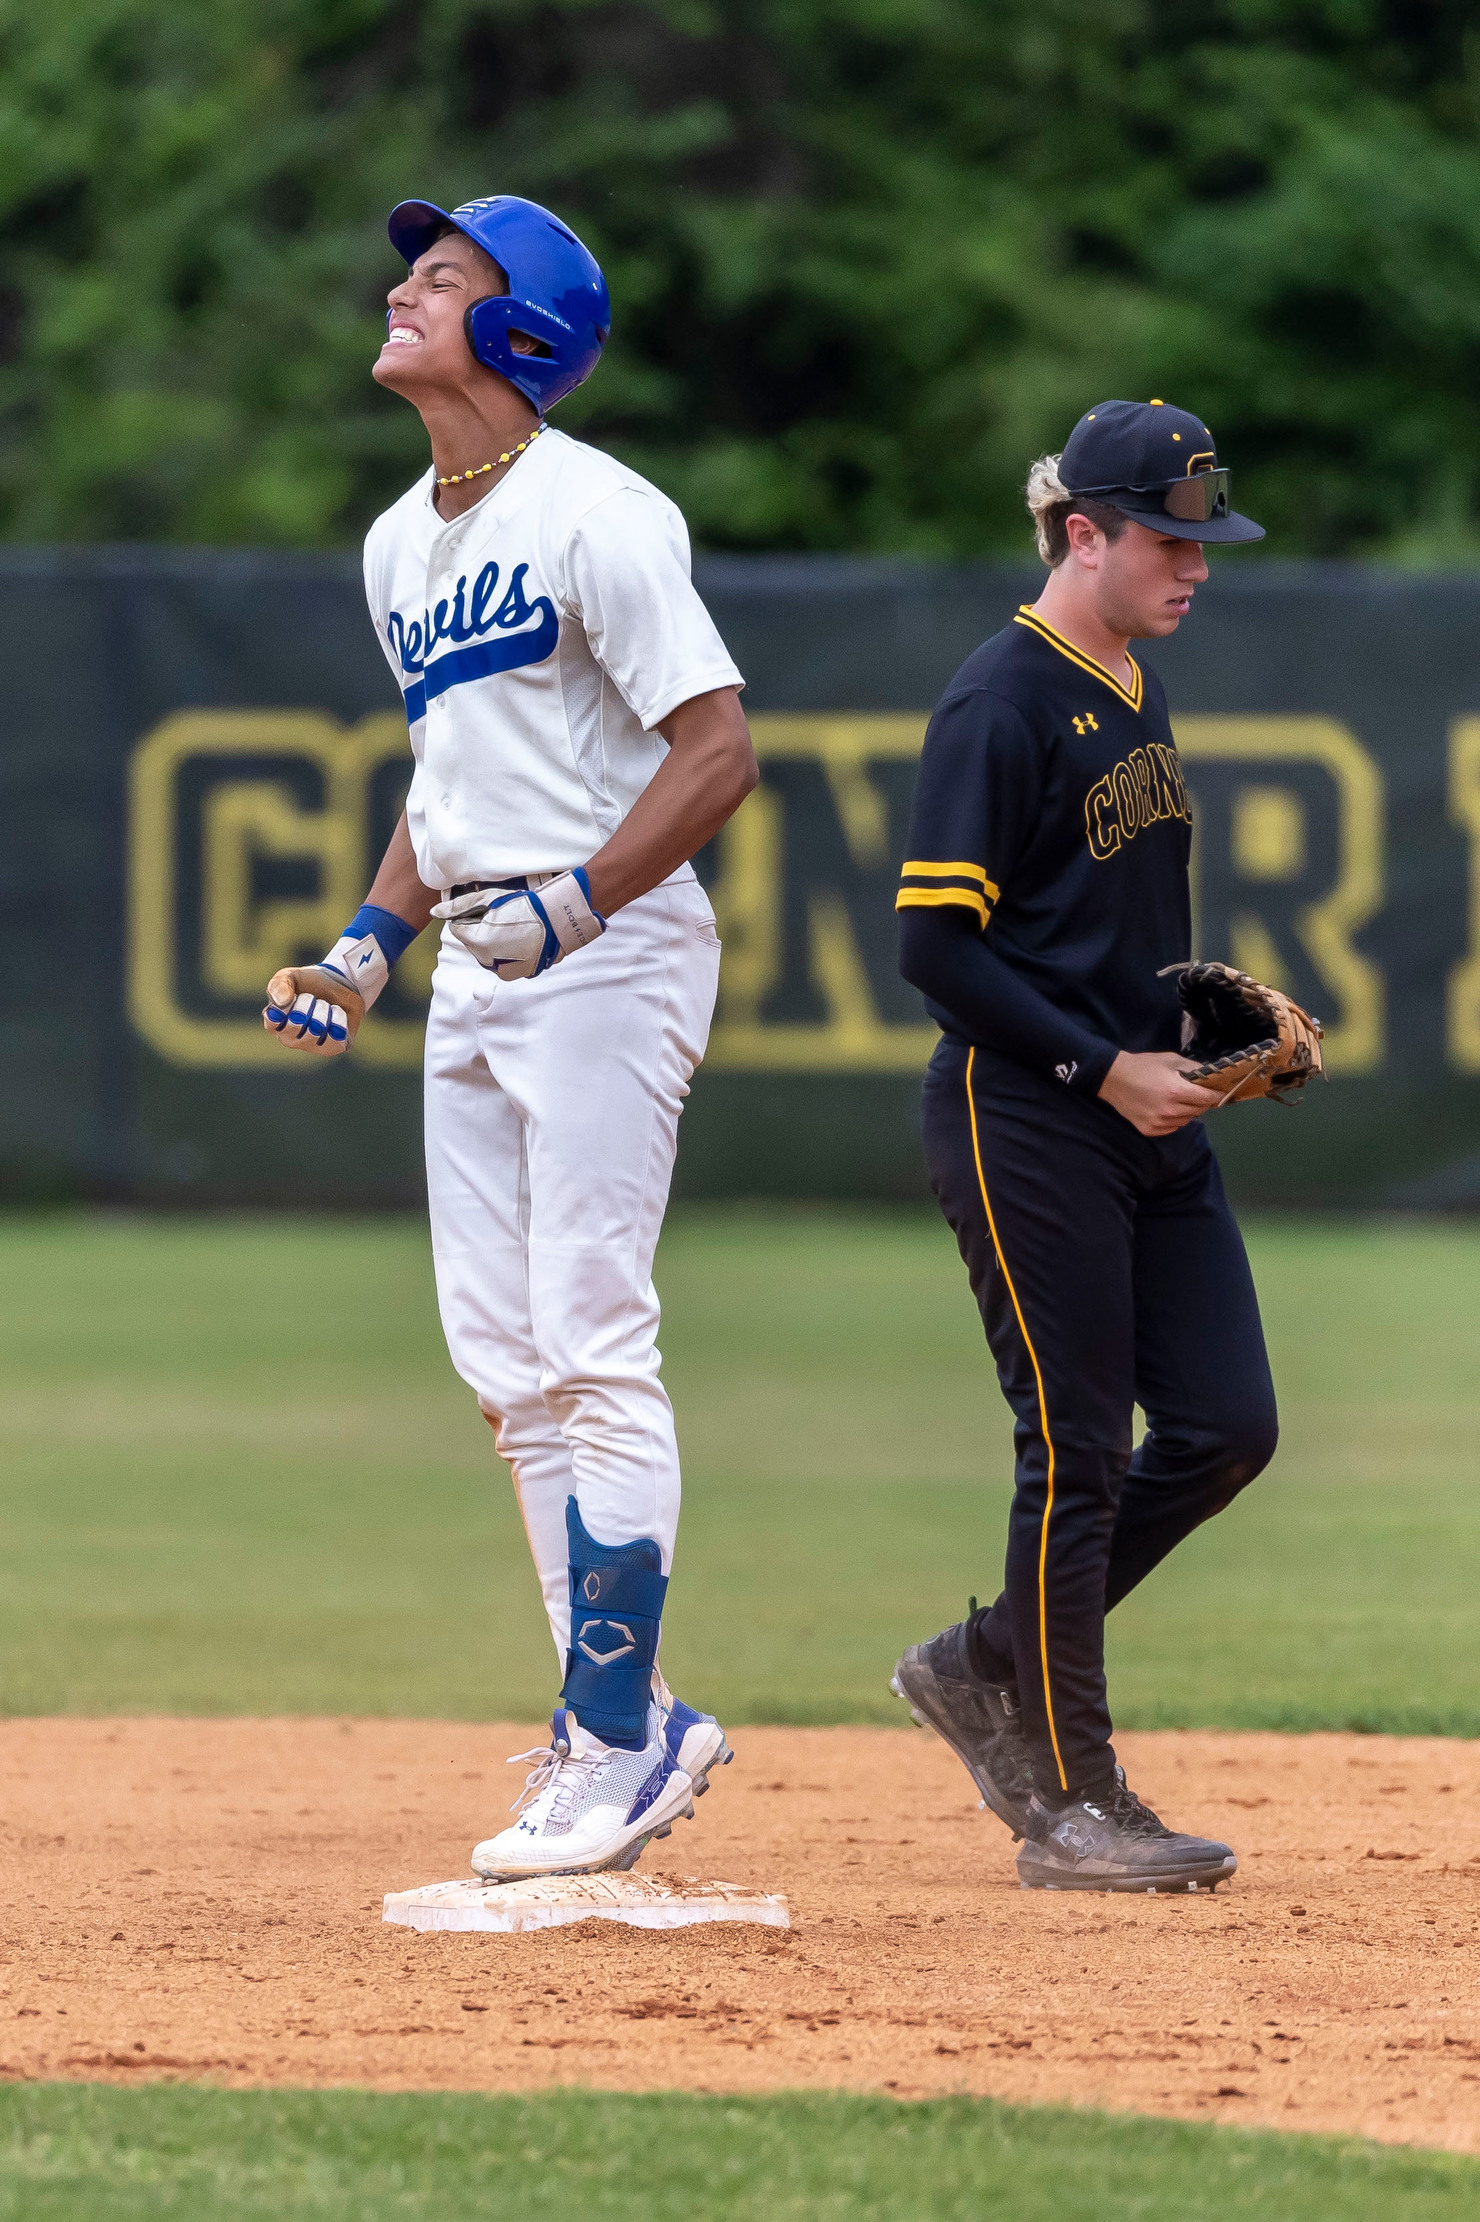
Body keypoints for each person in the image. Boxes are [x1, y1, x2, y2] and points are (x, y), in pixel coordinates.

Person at [261, 193, 757, 1882]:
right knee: (506, 1371)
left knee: (594, 1338)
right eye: (412, 263)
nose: (404, 284)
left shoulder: (601, 513)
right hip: (476, 964)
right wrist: (365, 938)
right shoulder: (403, 541)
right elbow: (448, 782)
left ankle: (611, 1740)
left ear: (524, 331)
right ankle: (627, 1715)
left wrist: (588, 902)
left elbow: (716, 752)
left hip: (604, 961)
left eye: (447, 274)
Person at [891, 399, 1278, 1893]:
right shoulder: (1000, 699)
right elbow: (938, 944)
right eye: (1168, 539)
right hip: (1028, 1112)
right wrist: (1096, 1058)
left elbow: (1090, 913)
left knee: (1226, 1427)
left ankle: (990, 1658)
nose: (1195, 565)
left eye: (1202, 539)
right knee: (1076, 1452)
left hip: (1148, 1105)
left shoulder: (1133, 683)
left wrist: (1181, 1019)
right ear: (1080, 533)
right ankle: (1073, 1794)